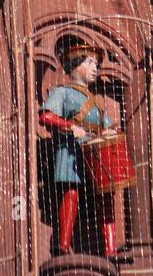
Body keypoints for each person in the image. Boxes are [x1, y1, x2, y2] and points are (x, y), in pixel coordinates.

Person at [39, 35, 120, 256]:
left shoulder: (96, 103)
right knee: (71, 193)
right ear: (76, 65)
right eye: (90, 63)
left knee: (105, 196)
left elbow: (108, 125)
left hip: (94, 151)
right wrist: (69, 126)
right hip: (72, 150)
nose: (95, 68)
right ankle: (63, 244)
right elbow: (46, 116)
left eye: (97, 64)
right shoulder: (63, 92)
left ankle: (111, 249)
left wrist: (112, 130)